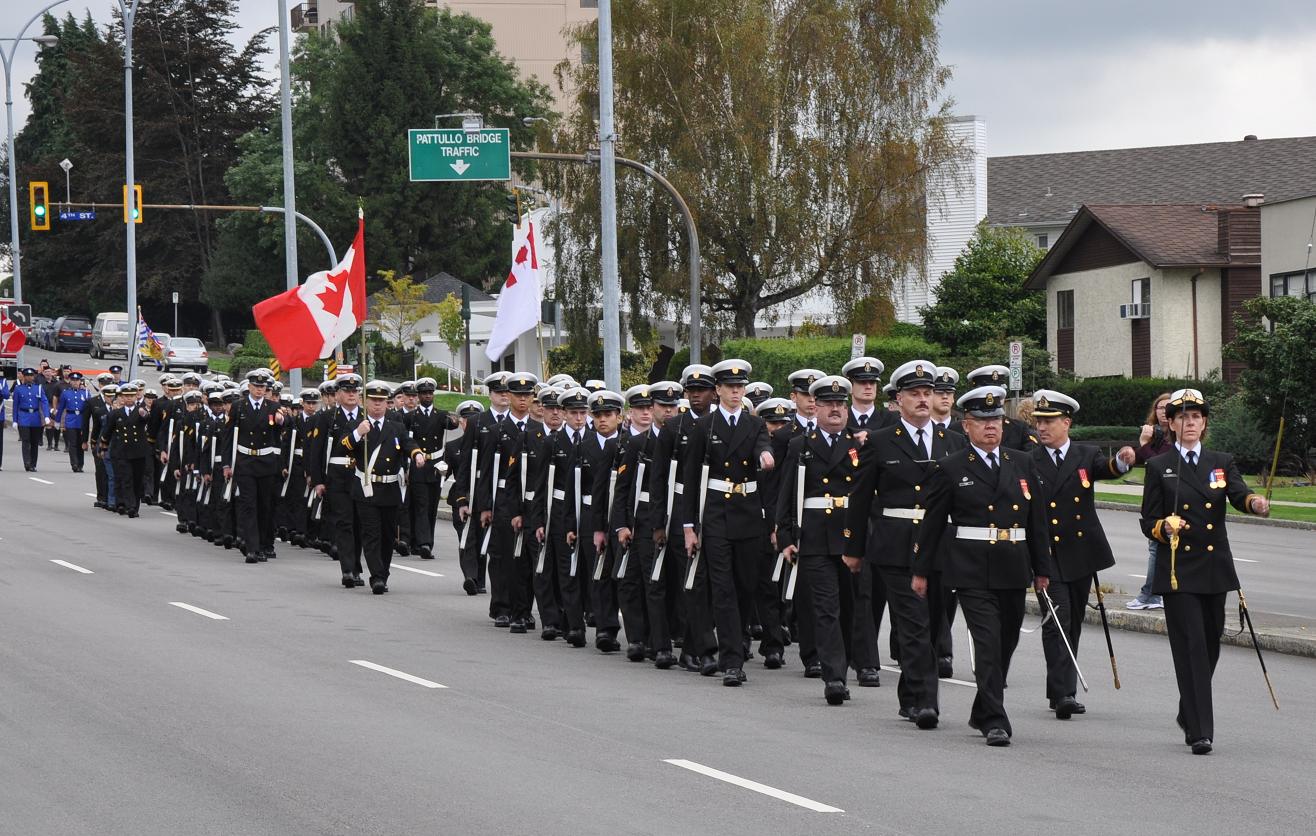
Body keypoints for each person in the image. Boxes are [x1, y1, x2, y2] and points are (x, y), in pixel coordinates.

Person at [914, 385, 1053, 746]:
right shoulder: (951, 467)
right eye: (982, 420)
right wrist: (921, 571)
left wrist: (1043, 569)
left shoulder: (1022, 462)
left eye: (996, 420)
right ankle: (994, 719)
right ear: (966, 425)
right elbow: (932, 524)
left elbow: (1036, 521)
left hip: (1013, 565)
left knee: (1006, 641)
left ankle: (981, 708)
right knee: (987, 642)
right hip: (970, 567)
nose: (991, 426)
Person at [1139, 388, 1269, 755]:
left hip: (1214, 569)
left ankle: (1188, 709)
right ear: (1171, 424)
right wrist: (1164, 527)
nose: (1190, 423)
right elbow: (1148, 520)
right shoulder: (1159, 466)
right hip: (1178, 571)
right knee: (1192, 648)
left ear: (1205, 422)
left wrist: (1255, 503)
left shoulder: (1220, 461)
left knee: (1210, 646)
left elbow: (1239, 494)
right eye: (1182, 417)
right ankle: (1200, 731)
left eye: (1196, 417)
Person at [844, 359, 966, 728]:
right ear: (898, 399)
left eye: (928, 392)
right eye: (915, 393)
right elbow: (860, 498)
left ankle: (909, 694)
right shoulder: (880, 442)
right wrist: (854, 548)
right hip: (896, 544)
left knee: (933, 625)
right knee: (912, 624)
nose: (923, 399)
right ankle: (926, 701)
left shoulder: (953, 442)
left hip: (940, 544)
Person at [1029, 389, 1136, 719]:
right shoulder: (1028, 459)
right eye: (1038, 421)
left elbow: (1108, 468)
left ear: (1066, 423)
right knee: (1057, 622)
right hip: (1047, 553)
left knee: (1073, 620)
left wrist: (1123, 460)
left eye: (1049, 421)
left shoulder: (1085, 455)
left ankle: (1062, 689)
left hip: (1080, 553)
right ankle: (1063, 692)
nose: (1041, 427)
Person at [681, 359, 775, 686]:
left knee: (746, 586)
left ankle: (739, 640)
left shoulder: (755, 424)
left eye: (740, 387)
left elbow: (762, 444)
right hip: (716, 514)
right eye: (730, 387)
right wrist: (689, 527)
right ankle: (732, 661)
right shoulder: (704, 427)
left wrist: (765, 455)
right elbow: (690, 479)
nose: (736, 392)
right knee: (722, 589)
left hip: (748, 513)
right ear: (718, 390)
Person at [776, 375, 863, 706]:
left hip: (850, 536)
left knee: (850, 609)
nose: (835, 409)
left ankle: (845, 664)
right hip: (814, 536)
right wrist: (785, 535)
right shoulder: (801, 445)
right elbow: (787, 493)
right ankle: (834, 677)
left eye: (840, 404)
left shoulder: (860, 443)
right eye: (828, 404)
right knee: (826, 608)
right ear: (817, 408)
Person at [345, 381, 425, 594]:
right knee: (372, 534)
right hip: (367, 489)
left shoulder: (395, 426)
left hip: (390, 490)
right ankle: (377, 576)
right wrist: (357, 434)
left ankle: (384, 573)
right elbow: (343, 447)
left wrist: (417, 454)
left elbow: (407, 443)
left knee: (388, 536)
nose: (378, 404)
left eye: (381, 401)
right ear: (365, 402)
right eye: (374, 400)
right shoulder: (357, 424)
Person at [224, 370, 286, 563]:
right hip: (245, 462)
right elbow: (228, 437)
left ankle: (263, 544)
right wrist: (227, 464)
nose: (260, 390)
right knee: (249, 505)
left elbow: (285, 426)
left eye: (262, 387)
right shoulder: (238, 407)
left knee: (264, 506)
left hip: (266, 462)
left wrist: (281, 421)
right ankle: (252, 548)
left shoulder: (273, 407)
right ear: (249, 387)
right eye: (256, 386)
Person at [1129, 392, 1174, 610]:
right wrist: (1140, 445)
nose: (1163, 411)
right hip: (1153, 500)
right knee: (1157, 548)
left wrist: (1144, 443)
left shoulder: (1176, 438)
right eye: (1160, 407)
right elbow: (1139, 458)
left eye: (1168, 407)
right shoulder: (1156, 436)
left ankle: (1150, 594)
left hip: (1168, 502)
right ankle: (1158, 594)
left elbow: (1160, 464)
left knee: (1157, 548)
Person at [102, 383, 151, 517]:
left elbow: (147, 419)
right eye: (126, 396)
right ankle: (130, 506)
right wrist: (103, 447)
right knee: (126, 478)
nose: (129, 398)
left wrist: (144, 414)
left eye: (132, 396)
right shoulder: (116, 413)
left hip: (138, 452)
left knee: (137, 480)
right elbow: (108, 431)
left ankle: (135, 506)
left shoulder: (140, 411)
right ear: (122, 397)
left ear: (136, 397)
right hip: (122, 452)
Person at [12, 367, 52, 471]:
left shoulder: (38, 388)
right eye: (27, 376)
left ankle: (33, 464)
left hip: (35, 417)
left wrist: (46, 416)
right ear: (24, 377)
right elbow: (15, 405)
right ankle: (27, 462)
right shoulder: (18, 389)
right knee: (26, 440)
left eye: (31, 376)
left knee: (34, 442)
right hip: (23, 416)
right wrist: (15, 420)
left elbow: (44, 402)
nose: (29, 377)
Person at [54, 372, 89, 472]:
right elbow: (61, 408)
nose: (75, 382)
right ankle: (74, 464)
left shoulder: (85, 393)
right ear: (70, 381)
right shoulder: (65, 393)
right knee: (72, 443)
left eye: (77, 380)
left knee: (81, 443)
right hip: (70, 420)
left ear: (80, 381)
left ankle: (80, 464)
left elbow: (90, 408)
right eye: (73, 380)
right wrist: (57, 421)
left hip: (81, 420)